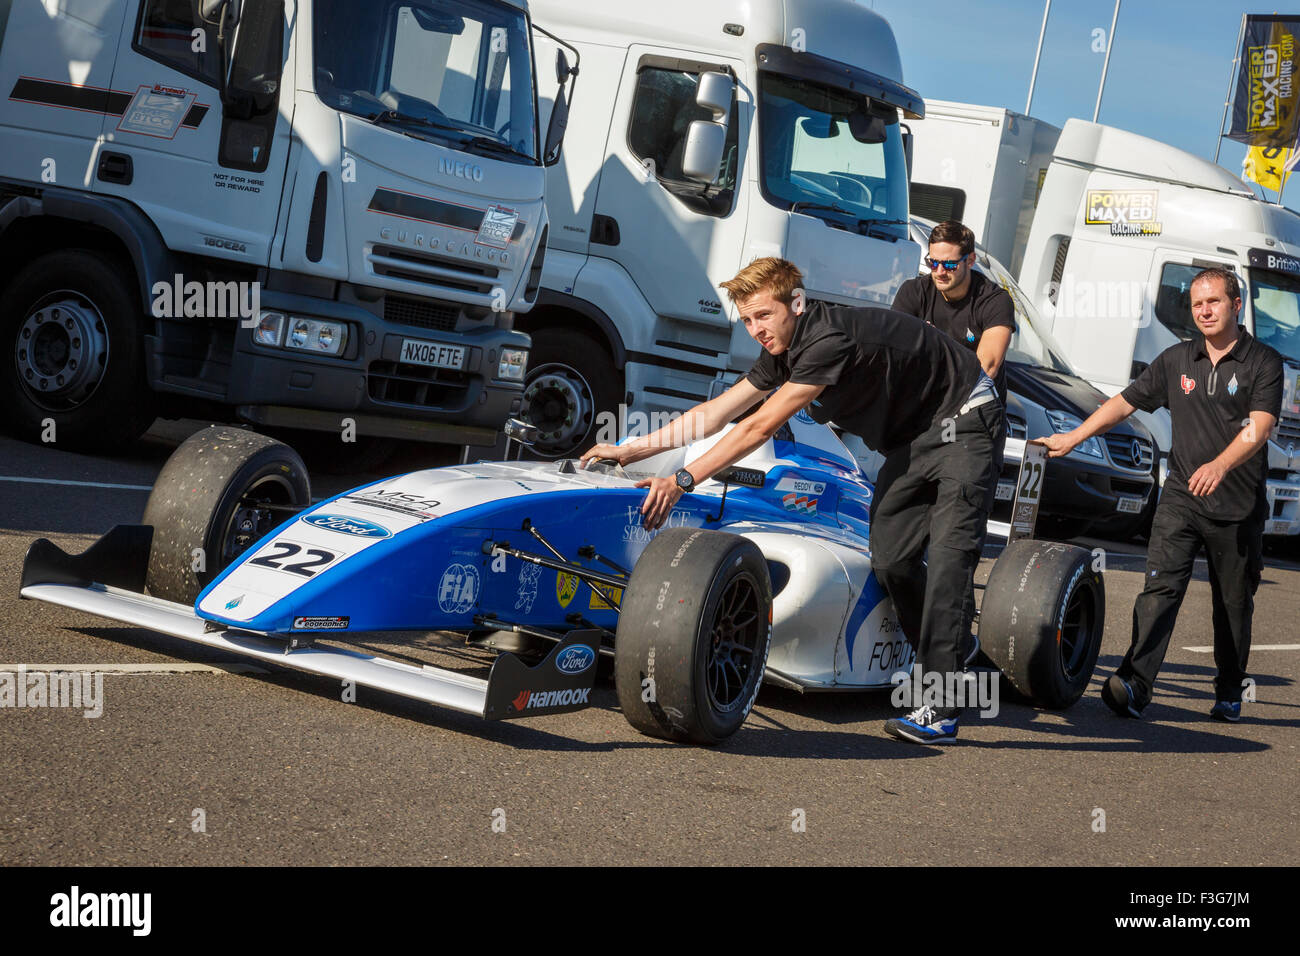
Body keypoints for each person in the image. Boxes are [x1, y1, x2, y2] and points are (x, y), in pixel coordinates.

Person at [581, 257, 1005, 743]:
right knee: (891, 559)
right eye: (747, 320)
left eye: (764, 315)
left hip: (967, 421)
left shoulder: (827, 340)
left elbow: (758, 427)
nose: (756, 329)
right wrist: (631, 450)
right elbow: (716, 413)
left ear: (796, 303)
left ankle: (941, 703)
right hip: (913, 440)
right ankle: (954, 650)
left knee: (949, 559)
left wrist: (682, 479)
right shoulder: (782, 350)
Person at [1036, 268, 1282, 721]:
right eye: (1197, 304)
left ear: (1236, 305)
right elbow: (1123, 403)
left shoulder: (1263, 362)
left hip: (1237, 506)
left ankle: (1230, 690)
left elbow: (1260, 426)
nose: (1204, 311)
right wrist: (1073, 437)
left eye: (1214, 302)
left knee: (1233, 606)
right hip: (1181, 499)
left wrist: (1220, 465)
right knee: (1159, 591)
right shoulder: (1177, 359)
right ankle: (1134, 684)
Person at [892, 220, 1015, 414]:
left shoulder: (994, 301)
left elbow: (987, 369)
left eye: (949, 265)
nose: (940, 272)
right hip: (923, 405)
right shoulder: (913, 292)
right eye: (933, 263)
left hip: (975, 411)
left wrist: (936, 349)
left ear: (970, 260)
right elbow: (893, 352)